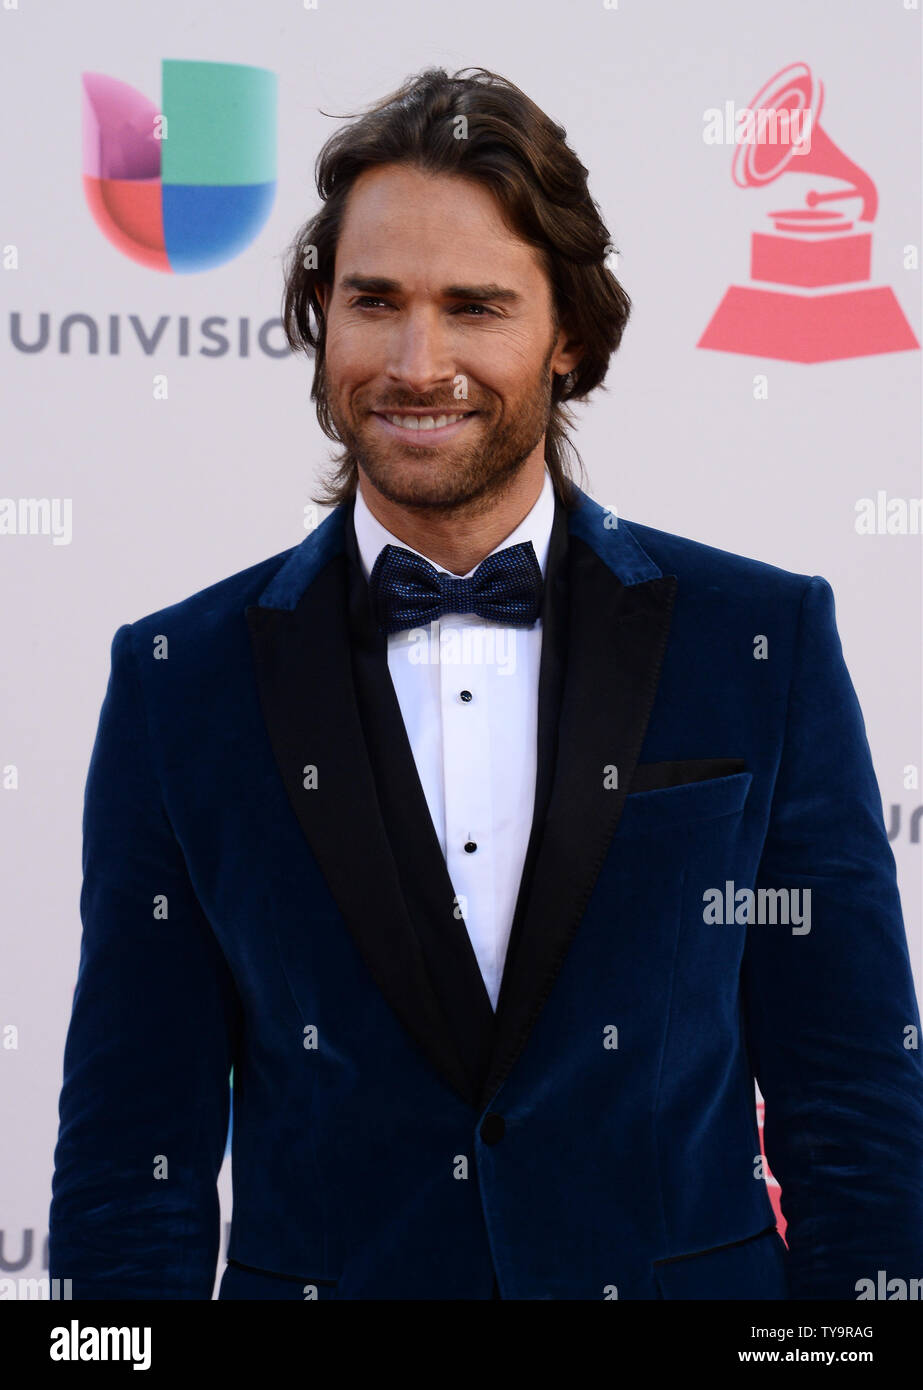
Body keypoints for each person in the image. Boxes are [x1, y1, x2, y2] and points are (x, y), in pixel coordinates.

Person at [49, 65, 923, 1301]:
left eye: (474, 306)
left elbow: (851, 1096)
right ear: (318, 316)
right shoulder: (176, 680)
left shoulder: (755, 638)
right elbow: (129, 1161)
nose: (417, 362)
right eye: (374, 302)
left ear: (565, 332)